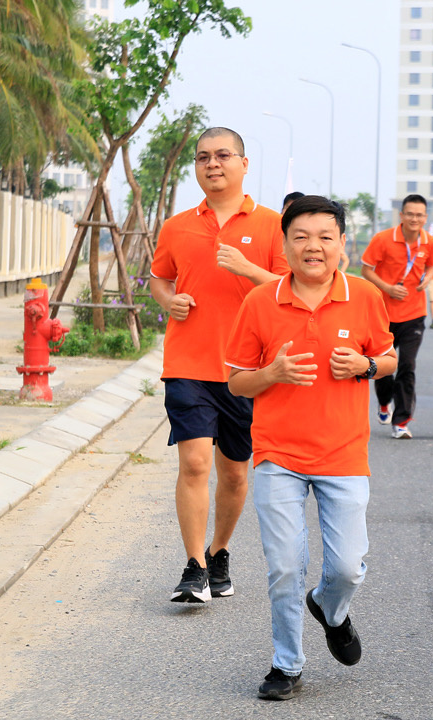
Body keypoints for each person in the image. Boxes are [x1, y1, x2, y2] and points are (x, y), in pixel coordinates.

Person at [225, 195, 397, 701]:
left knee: (345, 566)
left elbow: (388, 360)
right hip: (278, 454)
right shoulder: (260, 302)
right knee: (284, 565)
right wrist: (272, 374)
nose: (313, 247)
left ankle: (330, 607)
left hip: (344, 455)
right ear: (285, 245)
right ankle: (287, 664)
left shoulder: (364, 295)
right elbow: (236, 382)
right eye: (300, 237)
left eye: (325, 236)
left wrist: (364, 367)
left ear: (343, 243)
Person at [150, 126, 289, 604]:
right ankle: (193, 566)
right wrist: (170, 302)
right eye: (204, 157)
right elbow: (159, 281)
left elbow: (289, 291)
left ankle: (220, 551)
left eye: (223, 155)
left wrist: (248, 269)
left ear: (243, 164)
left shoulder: (273, 225)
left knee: (234, 473)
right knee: (194, 463)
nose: (214, 164)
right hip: (187, 362)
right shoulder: (177, 226)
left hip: (247, 371)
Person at [360, 194, 433, 439]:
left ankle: (401, 421)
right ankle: (384, 402)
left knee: (407, 365)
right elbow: (366, 270)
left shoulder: (430, 242)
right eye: (410, 214)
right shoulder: (383, 239)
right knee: (383, 369)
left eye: (419, 215)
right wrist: (388, 288)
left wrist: (429, 278)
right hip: (383, 314)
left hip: (415, 314)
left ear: (425, 217)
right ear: (401, 215)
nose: (415, 219)